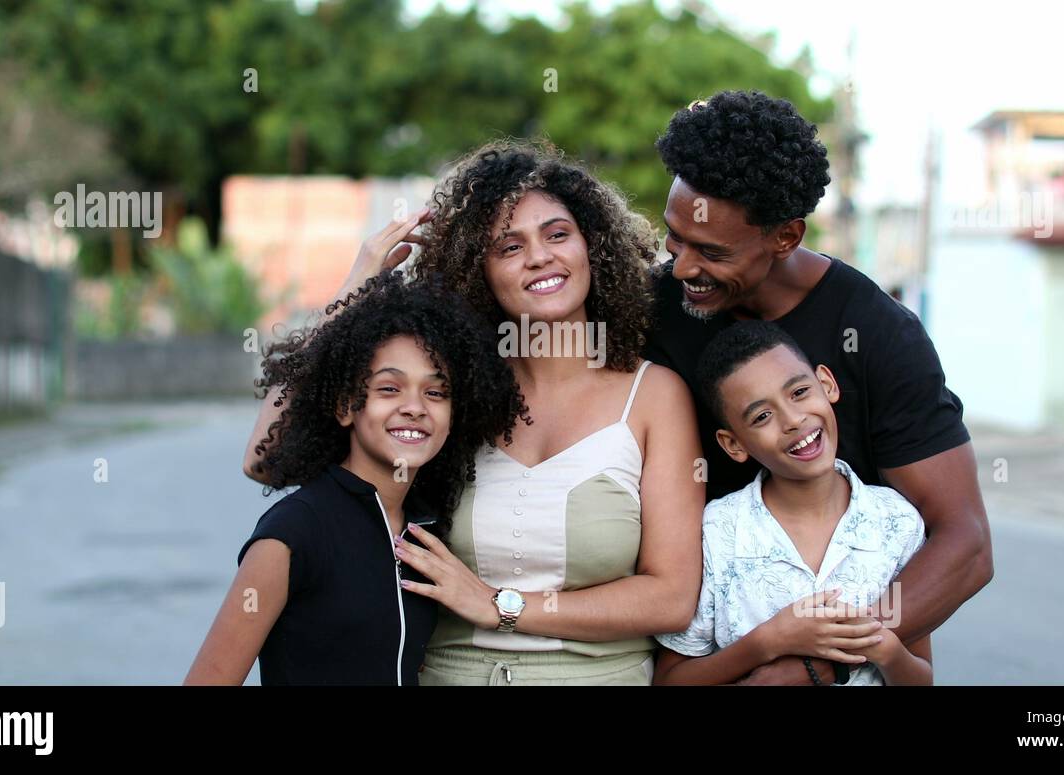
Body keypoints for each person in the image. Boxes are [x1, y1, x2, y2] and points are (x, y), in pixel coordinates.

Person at [243, 142, 705, 686]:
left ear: (592, 247)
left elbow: (671, 596)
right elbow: (268, 458)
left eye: (557, 234)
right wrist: (355, 289)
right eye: (508, 247)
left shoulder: (654, 396)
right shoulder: (449, 392)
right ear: (477, 272)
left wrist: (500, 604)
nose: (538, 257)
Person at [644, 90, 991, 685]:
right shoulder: (654, 307)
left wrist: (813, 666)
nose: (681, 267)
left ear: (785, 236)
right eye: (675, 238)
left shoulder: (879, 334)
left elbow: (965, 544)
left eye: (711, 251)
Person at [186, 272, 524, 685]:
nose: (415, 407)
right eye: (389, 389)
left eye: (436, 393)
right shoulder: (294, 531)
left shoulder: (428, 533)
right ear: (347, 406)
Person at [653, 320, 932, 686]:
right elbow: (670, 680)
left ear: (827, 384)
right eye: (762, 416)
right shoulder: (717, 532)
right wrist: (768, 641)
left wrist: (885, 648)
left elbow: (922, 678)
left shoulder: (896, 521)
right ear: (734, 444)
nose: (793, 420)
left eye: (799, 392)